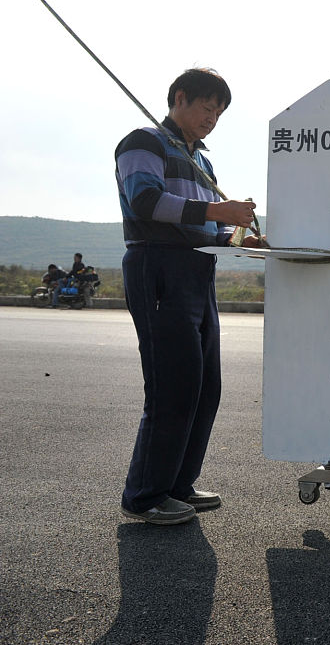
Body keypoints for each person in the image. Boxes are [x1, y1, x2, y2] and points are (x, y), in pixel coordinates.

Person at [114, 68, 260, 525]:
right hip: (159, 266)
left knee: (205, 386)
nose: (211, 118)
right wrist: (218, 209)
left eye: (219, 113)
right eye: (206, 107)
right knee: (172, 386)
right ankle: (145, 496)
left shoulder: (201, 162)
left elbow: (205, 227)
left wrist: (236, 238)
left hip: (198, 270)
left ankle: (177, 484)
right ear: (179, 98)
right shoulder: (144, 142)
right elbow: (145, 202)